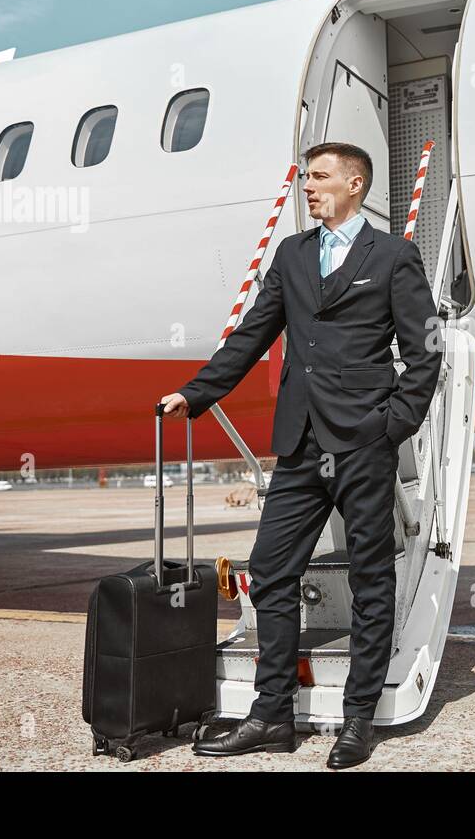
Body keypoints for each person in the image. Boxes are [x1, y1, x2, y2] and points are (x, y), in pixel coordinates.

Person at [159, 142, 441, 769]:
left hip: (363, 443)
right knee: (270, 570)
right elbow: (253, 332)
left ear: (355, 183)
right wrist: (197, 392)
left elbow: (425, 353)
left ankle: (358, 719)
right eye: (305, 179)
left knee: (371, 579)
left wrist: (391, 426)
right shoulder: (292, 255)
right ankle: (271, 715)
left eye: (318, 178)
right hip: (301, 444)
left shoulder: (394, 256)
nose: (307, 188)